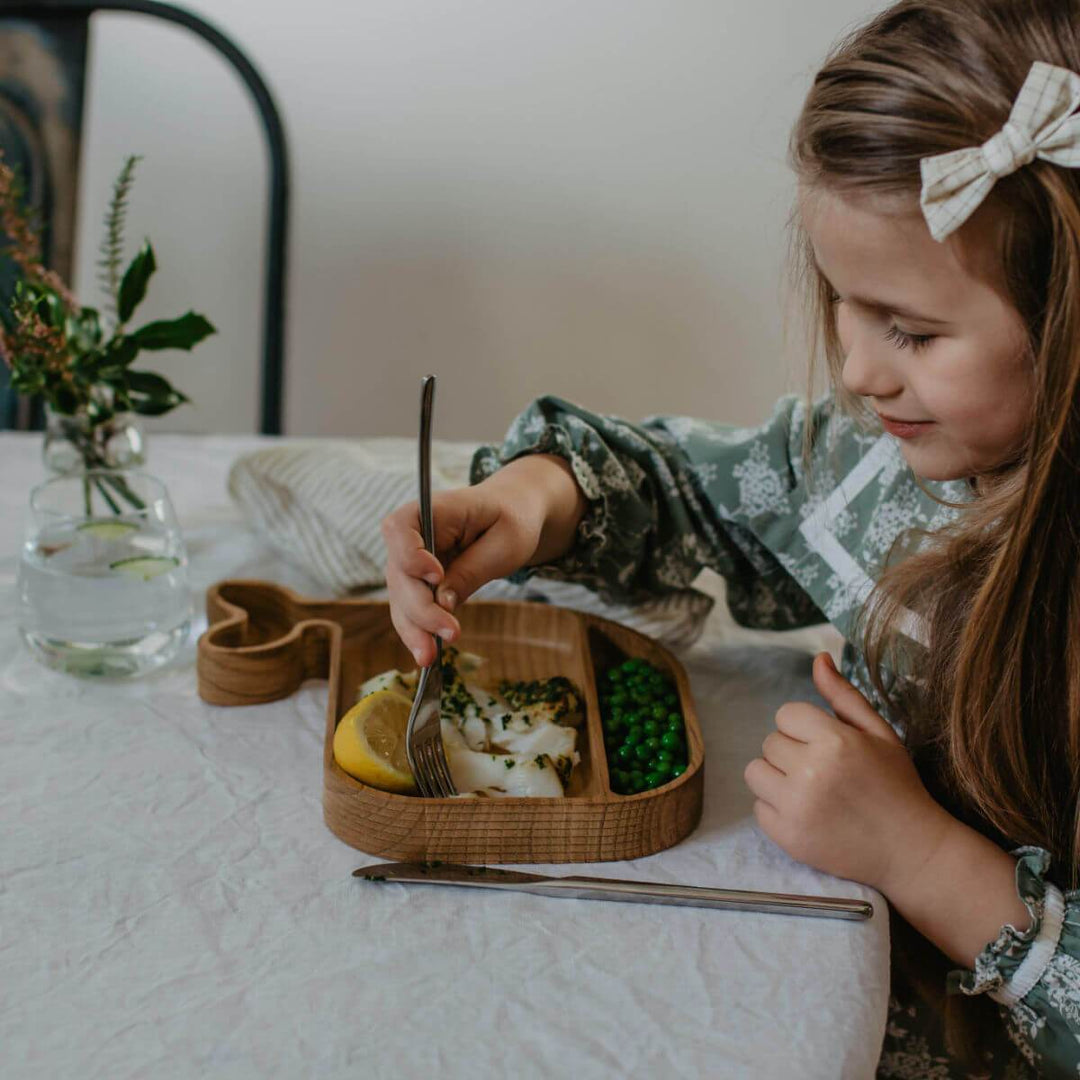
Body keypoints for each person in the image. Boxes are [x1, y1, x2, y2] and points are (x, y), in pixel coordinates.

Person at [381, 1, 1080, 1074]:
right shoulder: (875, 459)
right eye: (845, 302)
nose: (859, 371)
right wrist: (531, 501)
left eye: (911, 331)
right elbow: (691, 487)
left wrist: (918, 855)